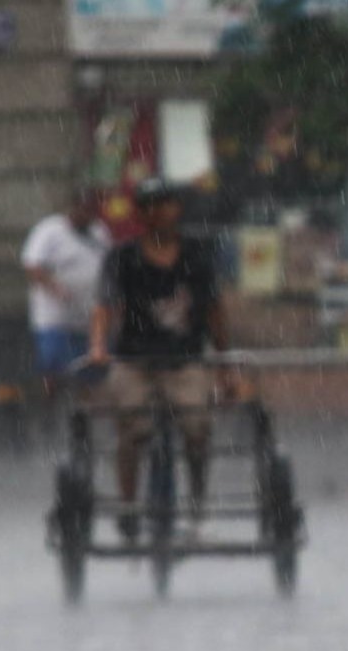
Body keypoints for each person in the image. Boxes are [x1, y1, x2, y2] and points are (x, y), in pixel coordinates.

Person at [88, 180, 226, 541]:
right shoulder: (121, 257)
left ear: (176, 209)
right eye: (149, 205)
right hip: (134, 362)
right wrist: (99, 346)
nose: (158, 212)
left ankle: (197, 506)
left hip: (185, 361)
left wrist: (225, 366)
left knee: (197, 428)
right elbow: (103, 307)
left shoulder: (197, 255)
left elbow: (214, 312)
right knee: (131, 430)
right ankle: (129, 507)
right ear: (140, 213)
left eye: (165, 204)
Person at [21, 190, 112, 414]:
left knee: (89, 367)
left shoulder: (100, 232)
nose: (87, 215)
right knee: (53, 363)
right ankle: (48, 408)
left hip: (88, 315)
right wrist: (55, 288)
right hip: (55, 316)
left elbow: (110, 264)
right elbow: (32, 265)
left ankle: (84, 414)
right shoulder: (49, 231)